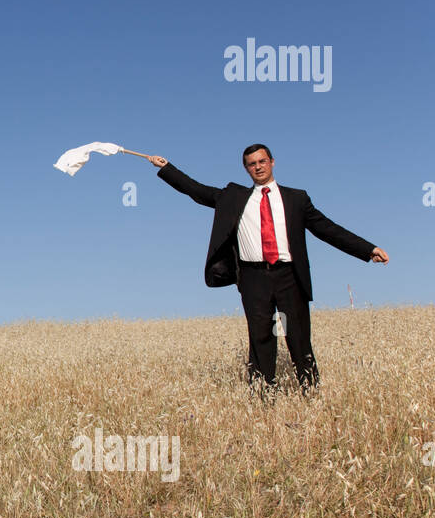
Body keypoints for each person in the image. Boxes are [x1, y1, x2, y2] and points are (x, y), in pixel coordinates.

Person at [148, 145, 389, 397]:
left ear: (272, 162)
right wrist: (167, 168)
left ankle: (311, 395)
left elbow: (327, 229)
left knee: (298, 337)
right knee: (260, 337)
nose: (258, 167)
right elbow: (196, 191)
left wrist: (367, 249)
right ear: (246, 168)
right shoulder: (233, 197)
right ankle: (263, 398)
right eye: (252, 164)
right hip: (253, 278)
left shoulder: (297, 199)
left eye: (262, 161)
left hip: (289, 276)